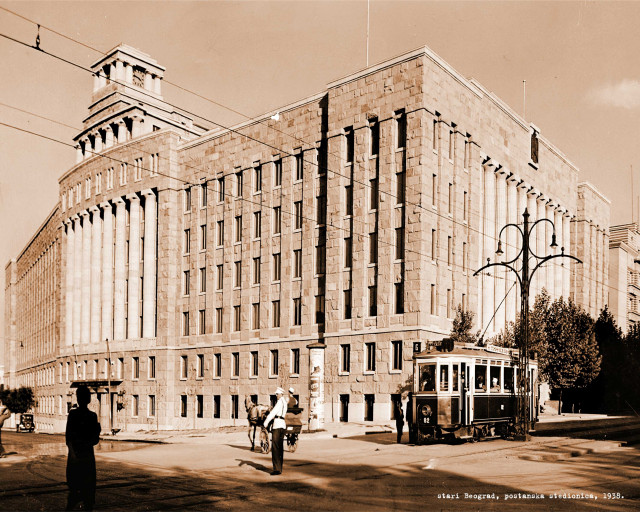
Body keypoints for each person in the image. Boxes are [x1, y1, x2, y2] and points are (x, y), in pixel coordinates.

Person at [65, 385, 101, 511]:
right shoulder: (92, 416)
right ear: (89, 399)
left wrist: (73, 454)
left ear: (78, 399)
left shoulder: (73, 415)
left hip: (75, 457)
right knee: (88, 496)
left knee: (74, 493)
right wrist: (97, 431)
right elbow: (94, 440)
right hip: (87, 458)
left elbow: (68, 438)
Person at [264, 387, 287, 476]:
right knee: (280, 447)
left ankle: (276, 469)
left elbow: (273, 413)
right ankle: (280, 467)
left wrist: (266, 422)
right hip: (283, 425)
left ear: (281, 394)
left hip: (277, 425)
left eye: (277, 394)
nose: (276, 395)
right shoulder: (284, 402)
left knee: (275, 448)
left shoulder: (279, 402)